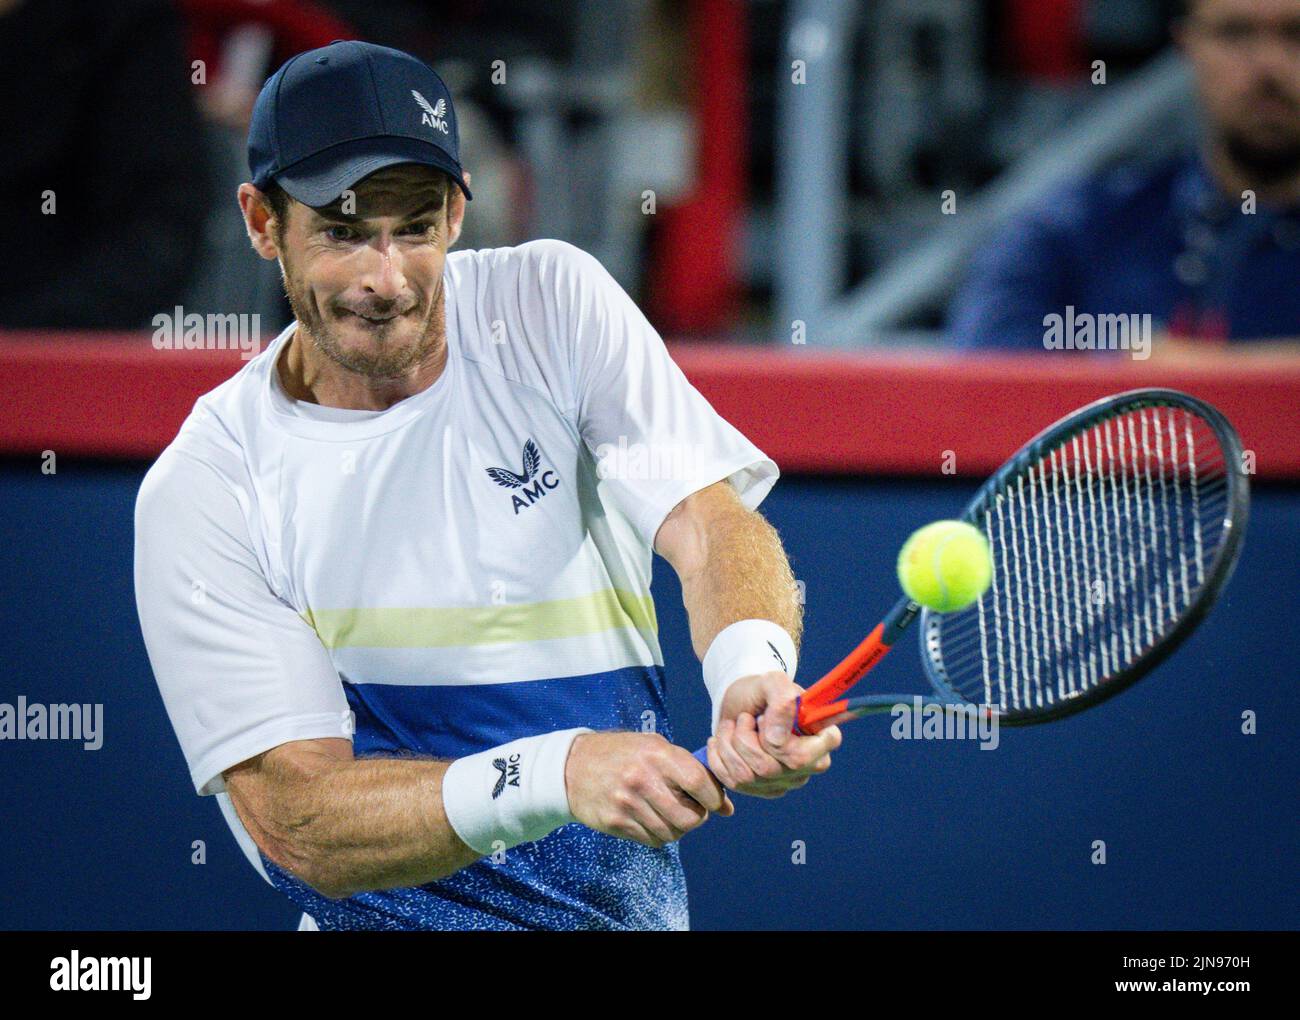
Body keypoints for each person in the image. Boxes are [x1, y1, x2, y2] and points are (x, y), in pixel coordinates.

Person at [133, 40, 840, 931]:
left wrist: (751, 671)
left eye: (414, 227)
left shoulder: (553, 305)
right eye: (344, 232)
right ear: (262, 222)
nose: (383, 280)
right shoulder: (208, 486)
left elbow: (707, 521)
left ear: (459, 211)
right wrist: (556, 774)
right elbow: (300, 821)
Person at [948, 0, 1300, 354]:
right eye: (1235, 32)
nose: (1268, 66)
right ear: (1186, 45)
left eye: (1296, 33)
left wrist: (1188, 371)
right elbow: (987, 365)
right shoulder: (1078, 230)